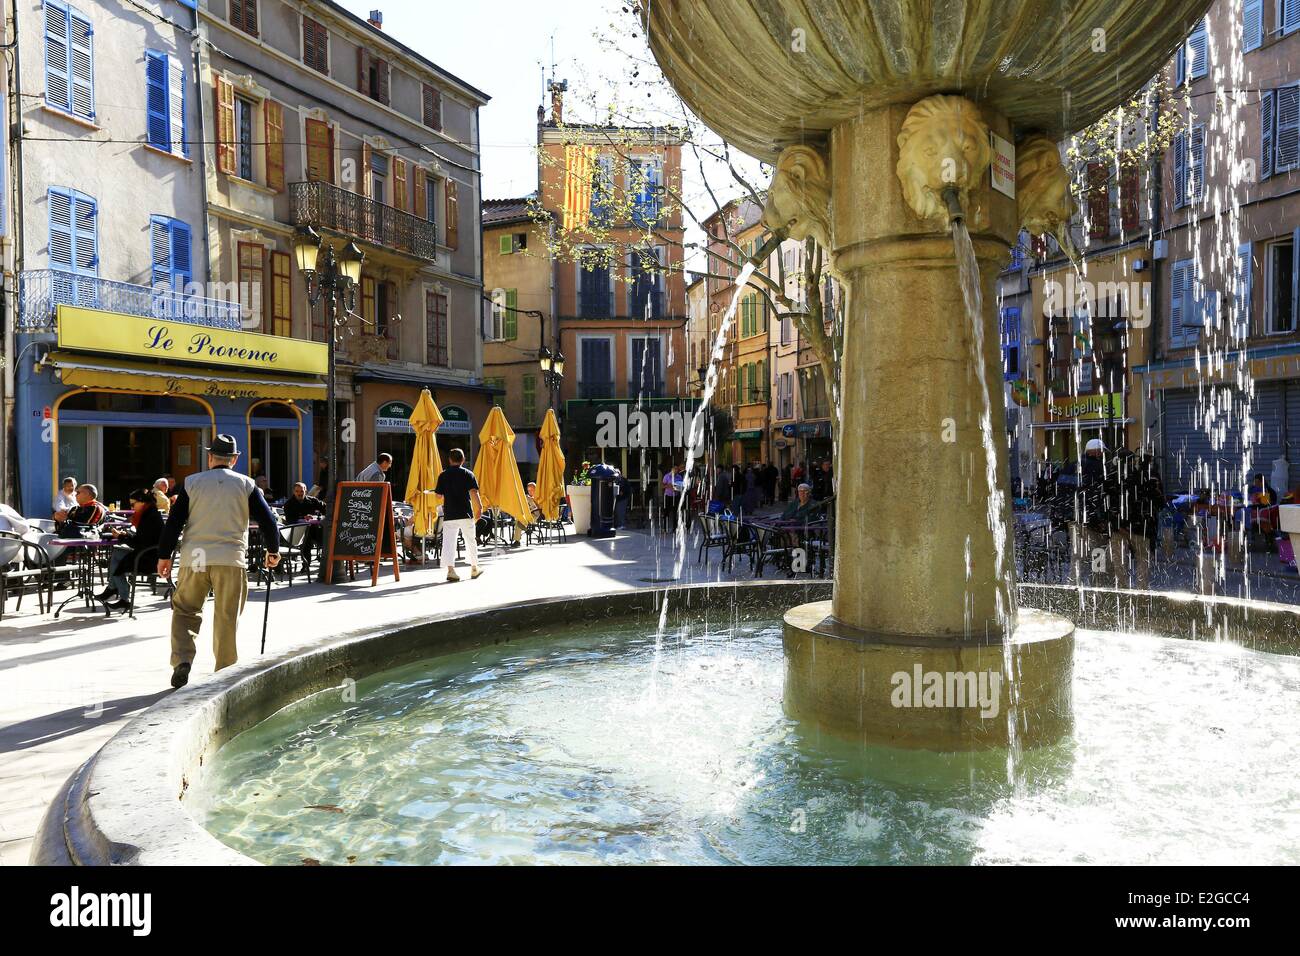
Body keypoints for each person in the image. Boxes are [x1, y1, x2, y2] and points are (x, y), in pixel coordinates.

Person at [156, 434, 280, 689]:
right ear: (234, 459)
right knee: (226, 616)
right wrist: (273, 551)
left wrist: (164, 555)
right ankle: (224, 672)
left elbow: (174, 523)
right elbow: (268, 521)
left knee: (185, 610)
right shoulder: (247, 485)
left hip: (195, 557)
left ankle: (183, 660)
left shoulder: (191, 483)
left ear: (210, 457)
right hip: (231, 559)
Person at [98, 488, 164, 611]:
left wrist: (122, 536)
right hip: (150, 553)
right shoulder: (149, 513)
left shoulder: (149, 517)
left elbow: (139, 543)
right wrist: (125, 535)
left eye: (133, 504)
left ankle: (117, 592)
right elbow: (142, 539)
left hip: (148, 558)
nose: (132, 507)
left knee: (118, 566)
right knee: (117, 553)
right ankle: (116, 591)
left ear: (142, 502)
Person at [433, 447, 484, 582]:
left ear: (449, 460)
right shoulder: (468, 474)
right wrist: (479, 508)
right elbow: (474, 493)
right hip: (465, 512)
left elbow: (438, 496)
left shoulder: (443, 475)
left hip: (449, 513)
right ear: (463, 460)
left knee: (449, 542)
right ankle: (474, 568)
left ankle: (451, 570)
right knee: (470, 540)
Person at [283, 481, 326, 567]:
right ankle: (306, 564)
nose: (299, 493)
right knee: (307, 539)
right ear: (293, 492)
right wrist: (303, 518)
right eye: (297, 491)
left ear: (305, 491)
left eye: (302, 491)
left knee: (326, 538)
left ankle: (326, 564)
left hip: (314, 528)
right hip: (298, 531)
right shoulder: (289, 504)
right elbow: (290, 520)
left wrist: (318, 516)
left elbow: (325, 508)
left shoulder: (312, 500)